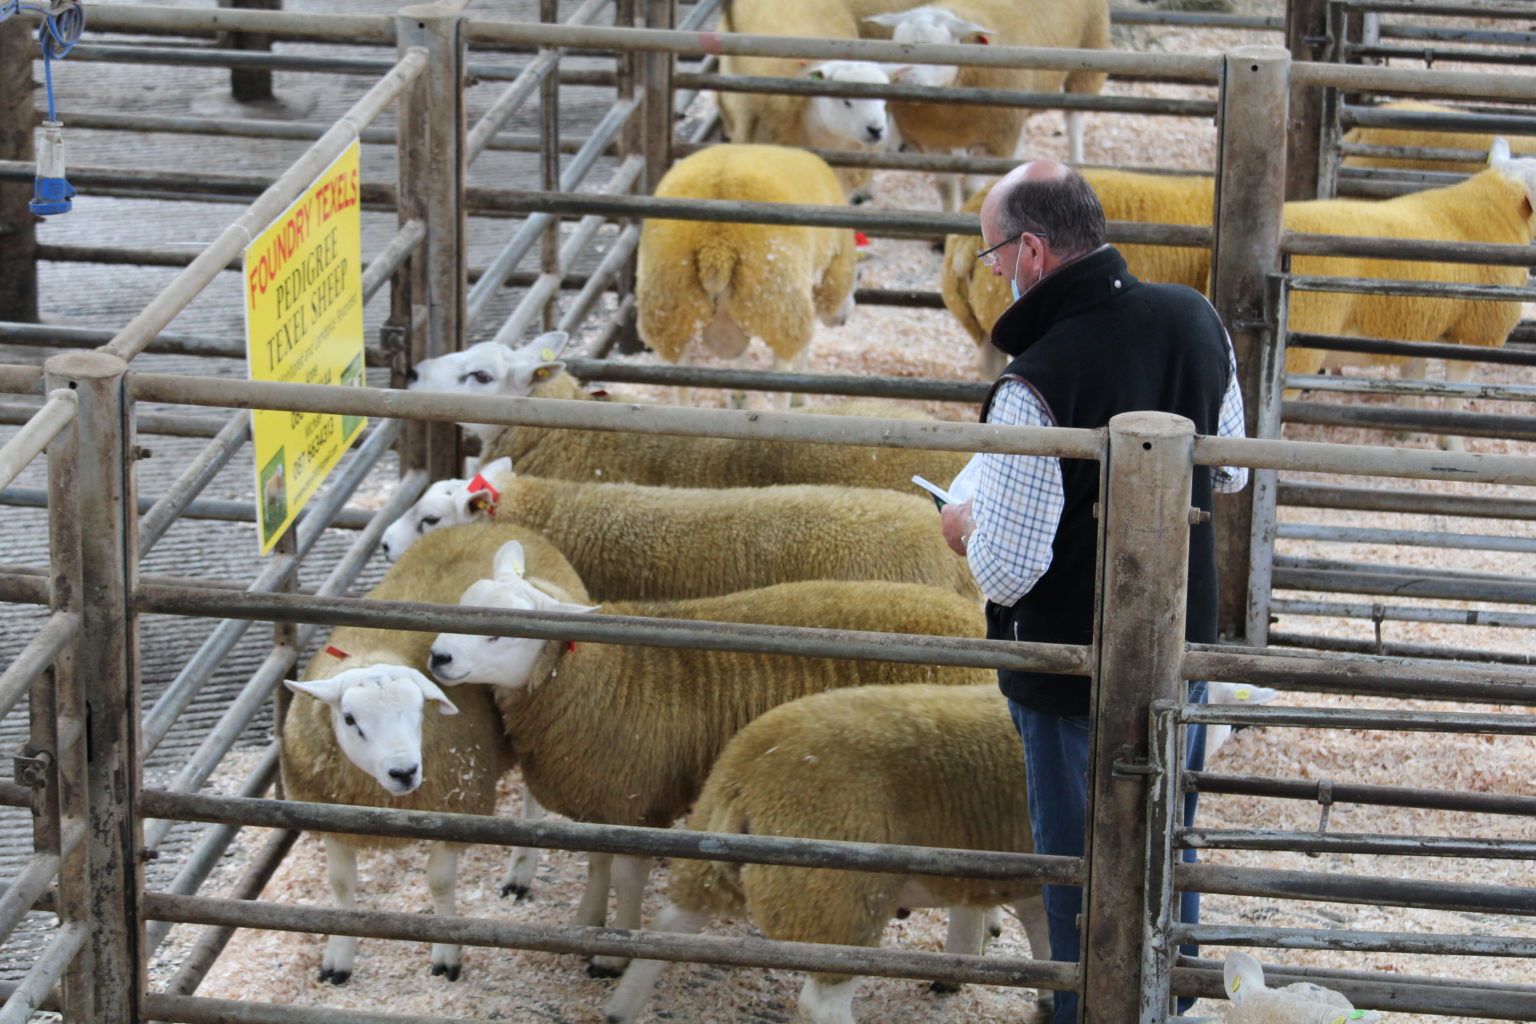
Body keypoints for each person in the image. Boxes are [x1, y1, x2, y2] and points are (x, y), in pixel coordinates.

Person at [938, 160, 1249, 1024]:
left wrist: (965, 525)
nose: (994, 271)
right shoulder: (1196, 318)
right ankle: (1167, 1006)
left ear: (1033, 251)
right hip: (1179, 648)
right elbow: (1228, 472)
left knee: (1082, 867)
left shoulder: (1035, 378)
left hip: (1071, 669)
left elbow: (1010, 569)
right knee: (1167, 845)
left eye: (994, 254)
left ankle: (1089, 1011)